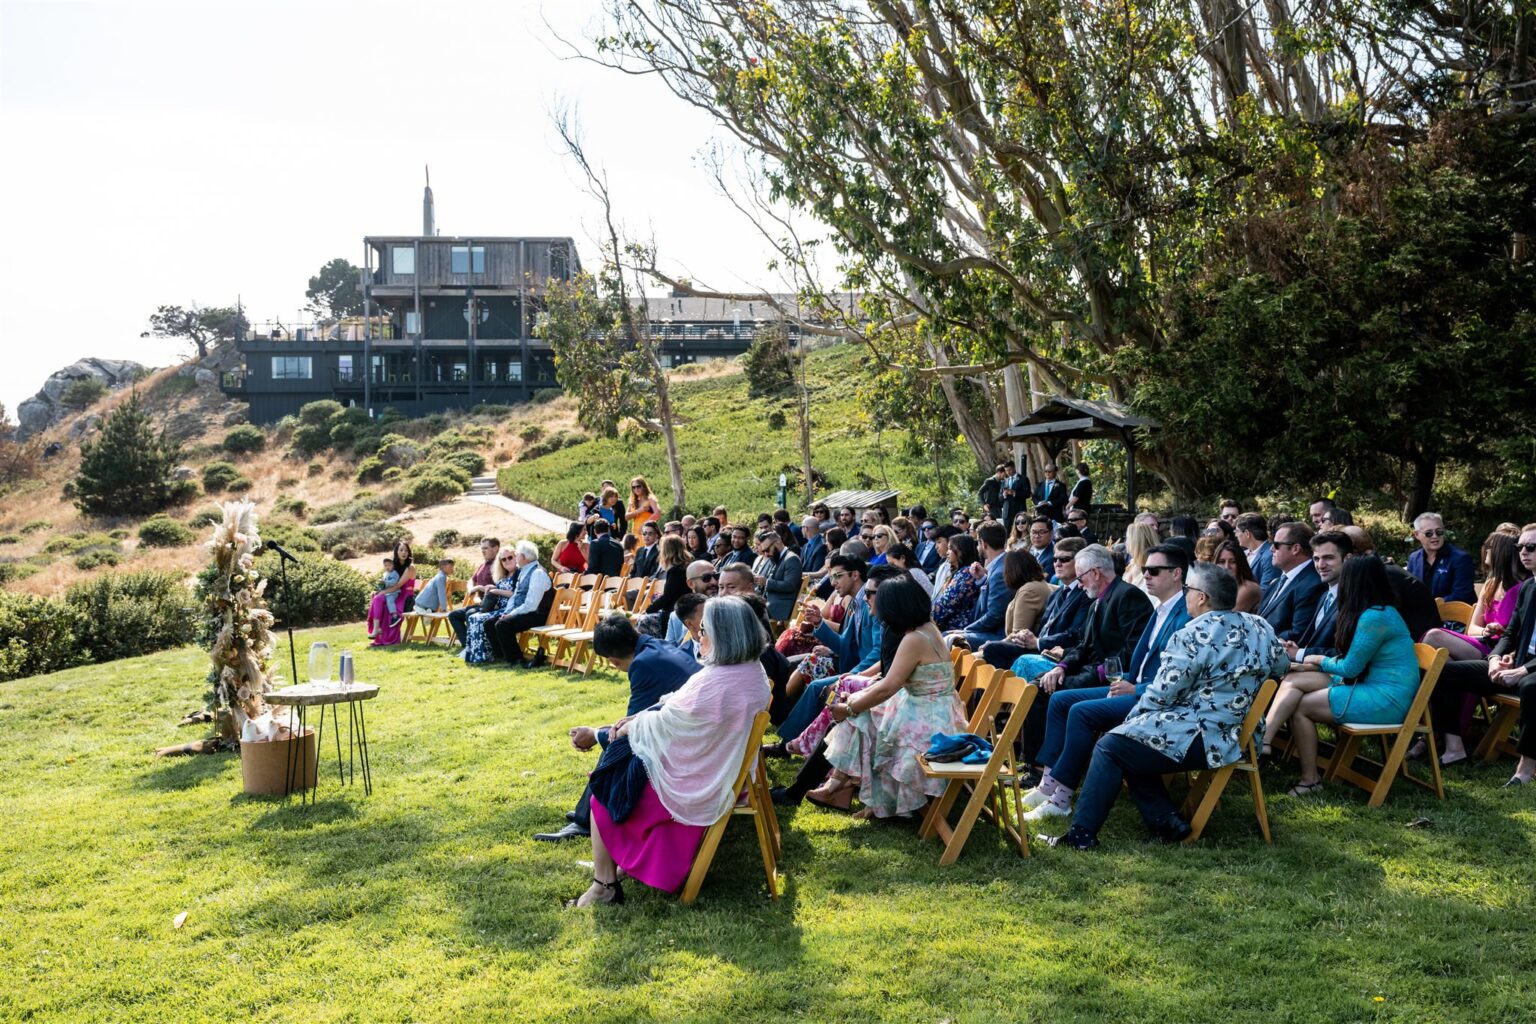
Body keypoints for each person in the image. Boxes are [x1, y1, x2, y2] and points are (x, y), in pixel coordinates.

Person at [1048, 563, 1288, 849]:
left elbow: (1161, 695)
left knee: (1113, 744)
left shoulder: (1192, 635)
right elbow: (1281, 667)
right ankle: (1165, 820)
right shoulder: (1260, 627)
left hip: (1203, 737)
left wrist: (1129, 721)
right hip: (1241, 734)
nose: (1185, 595)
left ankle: (1081, 835)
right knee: (1130, 741)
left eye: (1188, 589)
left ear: (1202, 597)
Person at [570, 597, 770, 907]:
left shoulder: (719, 681)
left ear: (726, 635)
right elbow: (676, 705)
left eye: (703, 630)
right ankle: (616, 867)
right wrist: (638, 720)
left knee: (605, 787)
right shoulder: (746, 668)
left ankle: (604, 885)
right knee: (621, 764)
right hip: (716, 765)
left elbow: (672, 720)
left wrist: (626, 728)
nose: (697, 635)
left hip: (705, 779)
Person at [1023, 544, 1194, 822]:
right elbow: (1084, 644)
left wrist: (1132, 685)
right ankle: (1048, 782)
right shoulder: (1149, 607)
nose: (1146, 575)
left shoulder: (1141, 601)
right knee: (1055, 696)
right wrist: (1062, 666)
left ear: (1176, 574)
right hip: (1126, 681)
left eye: (1153, 570)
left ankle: (1062, 797)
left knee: (1076, 708)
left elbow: (1149, 664)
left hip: (1146, 692)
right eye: (1145, 570)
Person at [804, 577, 965, 818]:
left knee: (864, 717)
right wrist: (856, 700)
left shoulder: (914, 639)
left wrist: (849, 708)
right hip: (934, 712)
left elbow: (887, 687)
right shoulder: (926, 628)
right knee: (866, 713)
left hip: (932, 725)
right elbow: (888, 683)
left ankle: (852, 790)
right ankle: (854, 791)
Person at [1263, 555, 1422, 796]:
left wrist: (1312, 660)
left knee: (1301, 707)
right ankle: (1264, 741)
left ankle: (1309, 779)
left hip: (1386, 698)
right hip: (1368, 683)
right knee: (1294, 680)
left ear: (1354, 582)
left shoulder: (1375, 617)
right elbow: (1353, 663)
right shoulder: (1377, 611)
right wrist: (1307, 666)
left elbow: (1350, 668)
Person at [534, 614, 700, 842]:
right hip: (693, 728)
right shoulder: (656, 646)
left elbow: (632, 730)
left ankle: (584, 822)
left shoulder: (643, 665)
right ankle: (585, 813)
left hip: (686, 742)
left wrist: (595, 734)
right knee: (614, 738)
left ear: (613, 660)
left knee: (615, 748)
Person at [1015, 544, 1154, 759]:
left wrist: (1098, 672)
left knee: (1044, 693)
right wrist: (1061, 667)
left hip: (1114, 677)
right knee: (1039, 683)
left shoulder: (1127, 596)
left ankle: (1042, 763)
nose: (1079, 585)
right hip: (1091, 670)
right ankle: (1035, 759)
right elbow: (1083, 645)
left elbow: (1133, 651)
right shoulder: (1096, 602)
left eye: (1080, 578)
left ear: (1096, 573)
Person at [1427, 523, 1536, 781]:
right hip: (1516, 663)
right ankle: (1453, 747)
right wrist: (1495, 659)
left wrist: (1523, 670)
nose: (1523, 552)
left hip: (1531, 671)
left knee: (1532, 687)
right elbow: (1510, 633)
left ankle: (1526, 767)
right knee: (1444, 672)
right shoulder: (1529, 587)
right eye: (1520, 546)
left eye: (1531, 547)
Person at [979, 537, 1091, 669]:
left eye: (1064, 559)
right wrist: (1026, 635)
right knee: (988, 650)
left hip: (1058, 653)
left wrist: (1038, 642)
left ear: (1079, 563)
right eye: (1055, 559)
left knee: (990, 650)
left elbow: (1074, 635)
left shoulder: (1086, 593)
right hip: (1038, 646)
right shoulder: (1057, 593)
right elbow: (1043, 627)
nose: (1058, 564)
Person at [1424, 532, 1531, 661]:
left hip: (1500, 650)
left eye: (1489, 546)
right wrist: (1485, 631)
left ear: (1501, 552)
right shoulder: (1491, 584)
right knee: (1442, 659)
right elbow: (1472, 628)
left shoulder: (1524, 588)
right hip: (1482, 642)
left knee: (1434, 636)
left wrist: (1501, 631)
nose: (1485, 550)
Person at [1285, 530, 1352, 661]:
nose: (1320, 565)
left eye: (1328, 558)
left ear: (1348, 559)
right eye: (1316, 559)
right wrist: (1292, 647)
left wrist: (1300, 654)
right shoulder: (1325, 596)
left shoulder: (1355, 598)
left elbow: (1348, 653)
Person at [948, 522, 1015, 648]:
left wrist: (966, 630)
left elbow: (994, 616)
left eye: (977, 543)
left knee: (947, 638)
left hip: (997, 636)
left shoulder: (1000, 572)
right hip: (990, 631)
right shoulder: (1001, 565)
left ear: (983, 544)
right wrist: (982, 580)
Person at [1256, 521, 1325, 641]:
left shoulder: (1313, 584)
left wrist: (1258, 640)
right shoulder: (1277, 582)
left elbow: (1297, 633)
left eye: (1276, 545)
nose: (1271, 549)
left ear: (1295, 548)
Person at [489, 542, 555, 667]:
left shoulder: (537, 573)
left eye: (517, 554)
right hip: (526, 612)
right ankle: (503, 657)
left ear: (524, 557)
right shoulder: (524, 571)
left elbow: (531, 604)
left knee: (503, 625)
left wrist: (511, 615)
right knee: (490, 623)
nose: (515, 556)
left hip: (538, 614)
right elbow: (515, 596)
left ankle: (517, 660)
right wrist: (507, 612)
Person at [462, 548, 521, 665]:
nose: (507, 561)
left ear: (516, 557)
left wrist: (497, 591)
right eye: (503, 559)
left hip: (510, 609)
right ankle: (476, 654)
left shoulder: (519, 574)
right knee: (473, 617)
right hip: (498, 608)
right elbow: (497, 591)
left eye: (510, 557)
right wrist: (491, 588)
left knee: (477, 618)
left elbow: (516, 595)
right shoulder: (503, 575)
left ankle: (485, 654)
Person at [1406, 512, 1477, 604]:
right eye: (1429, 533)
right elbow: (1409, 590)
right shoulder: (1414, 558)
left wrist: (1430, 606)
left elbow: (1462, 595)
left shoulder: (1460, 558)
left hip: (1454, 615)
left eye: (1439, 531)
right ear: (1417, 535)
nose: (1435, 536)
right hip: (1423, 614)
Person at [448, 538, 501, 644]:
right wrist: (472, 588)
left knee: (470, 614)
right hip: (481, 604)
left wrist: (480, 588)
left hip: (493, 606)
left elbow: (500, 587)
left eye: (486, 548)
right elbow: (471, 580)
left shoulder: (500, 565)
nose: (483, 551)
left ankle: (474, 646)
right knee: (453, 615)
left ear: (495, 548)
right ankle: (468, 645)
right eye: (482, 549)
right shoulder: (483, 564)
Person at [366, 540, 417, 646]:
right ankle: (376, 630)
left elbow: (398, 585)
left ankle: (389, 639)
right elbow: (387, 581)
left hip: (405, 595)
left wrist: (383, 592)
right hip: (393, 593)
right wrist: (380, 591)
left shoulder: (410, 567)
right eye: (401, 550)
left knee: (390, 608)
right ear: (396, 552)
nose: (404, 553)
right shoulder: (393, 566)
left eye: (406, 550)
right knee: (377, 599)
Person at [931, 533, 983, 631]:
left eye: (950, 548)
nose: (947, 552)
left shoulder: (967, 573)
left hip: (957, 628)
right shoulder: (960, 571)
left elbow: (945, 605)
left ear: (961, 551)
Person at [663, 559, 720, 645]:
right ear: (690, 584)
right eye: (706, 578)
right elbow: (669, 648)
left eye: (716, 576)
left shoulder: (725, 610)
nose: (714, 582)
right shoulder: (676, 616)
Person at [754, 529, 804, 622]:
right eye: (764, 551)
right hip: (770, 606)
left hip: (780, 610)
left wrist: (766, 582)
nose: (766, 554)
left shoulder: (791, 559)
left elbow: (790, 586)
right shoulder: (776, 557)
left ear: (777, 543)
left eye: (767, 550)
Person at [1235, 513, 1281, 594]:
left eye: (1237, 531)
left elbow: (1266, 592)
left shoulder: (1269, 556)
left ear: (1247, 533)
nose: (1235, 535)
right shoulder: (1244, 554)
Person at [1214, 539, 1263, 613]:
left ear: (1240, 564)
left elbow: (1227, 619)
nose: (1227, 567)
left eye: (1233, 562)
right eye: (1222, 562)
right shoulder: (1217, 586)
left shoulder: (1248, 588)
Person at [367, 557, 401, 637]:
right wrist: (380, 587)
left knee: (390, 600)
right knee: (376, 598)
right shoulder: (385, 574)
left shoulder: (395, 573)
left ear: (393, 565)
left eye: (389, 565)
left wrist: (385, 582)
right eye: (385, 565)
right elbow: (383, 586)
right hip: (387, 593)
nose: (387, 567)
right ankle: (376, 626)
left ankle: (394, 615)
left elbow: (394, 582)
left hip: (393, 592)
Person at [1122, 522, 1159, 591]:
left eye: (1127, 539)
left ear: (1136, 542)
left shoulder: (1156, 569)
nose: (1125, 542)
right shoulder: (1132, 563)